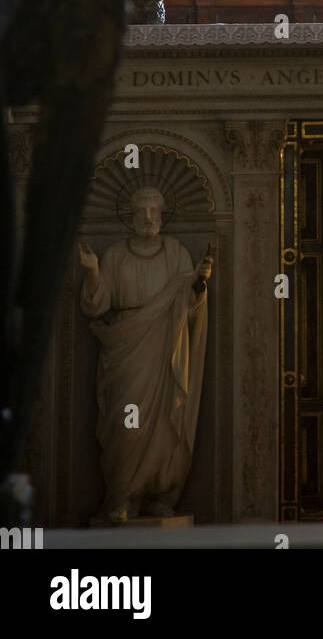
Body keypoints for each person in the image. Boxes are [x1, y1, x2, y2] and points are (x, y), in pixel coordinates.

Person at [78, 187, 212, 525]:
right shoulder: (115, 256)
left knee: (167, 422)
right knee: (124, 426)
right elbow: (96, 305)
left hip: (165, 347)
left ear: (163, 215)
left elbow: (190, 307)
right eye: (141, 211)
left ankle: (160, 495)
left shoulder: (176, 253)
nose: (148, 217)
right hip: (126, 347)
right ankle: (122, 495)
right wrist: (93, 271)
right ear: (131, 215)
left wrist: (199, 284)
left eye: (154, 210)